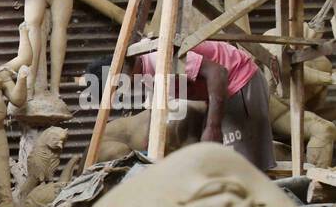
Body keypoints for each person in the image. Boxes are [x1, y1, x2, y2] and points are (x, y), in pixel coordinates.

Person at [83, 40, 275, 170]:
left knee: (239, 166)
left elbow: (219, 73)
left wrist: (212, 126)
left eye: (117, 90)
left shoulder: (160, 58)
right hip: (217, 94)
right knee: (210, 159)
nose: (122, 93)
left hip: (238, 81)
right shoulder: (143, 69)